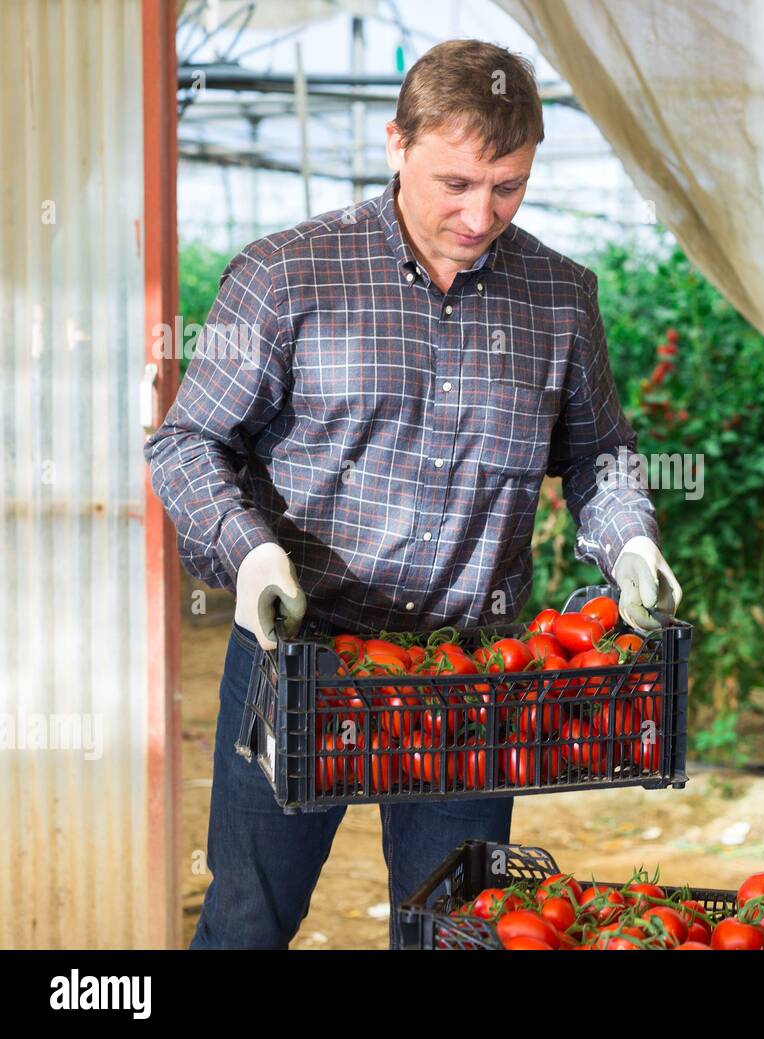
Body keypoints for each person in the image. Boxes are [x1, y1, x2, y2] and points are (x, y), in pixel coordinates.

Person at [144, 38, 682, 949]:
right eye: (456, 183)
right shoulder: (288, 276)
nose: (481, 215)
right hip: (297, 658)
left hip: (474, 675)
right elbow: (189, 442)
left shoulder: (559, 297)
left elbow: (601, 455)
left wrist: (630, 541)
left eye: (508, 186)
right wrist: (251, 554)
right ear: (397, 143)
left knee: (452, 933)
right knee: (246, 919)